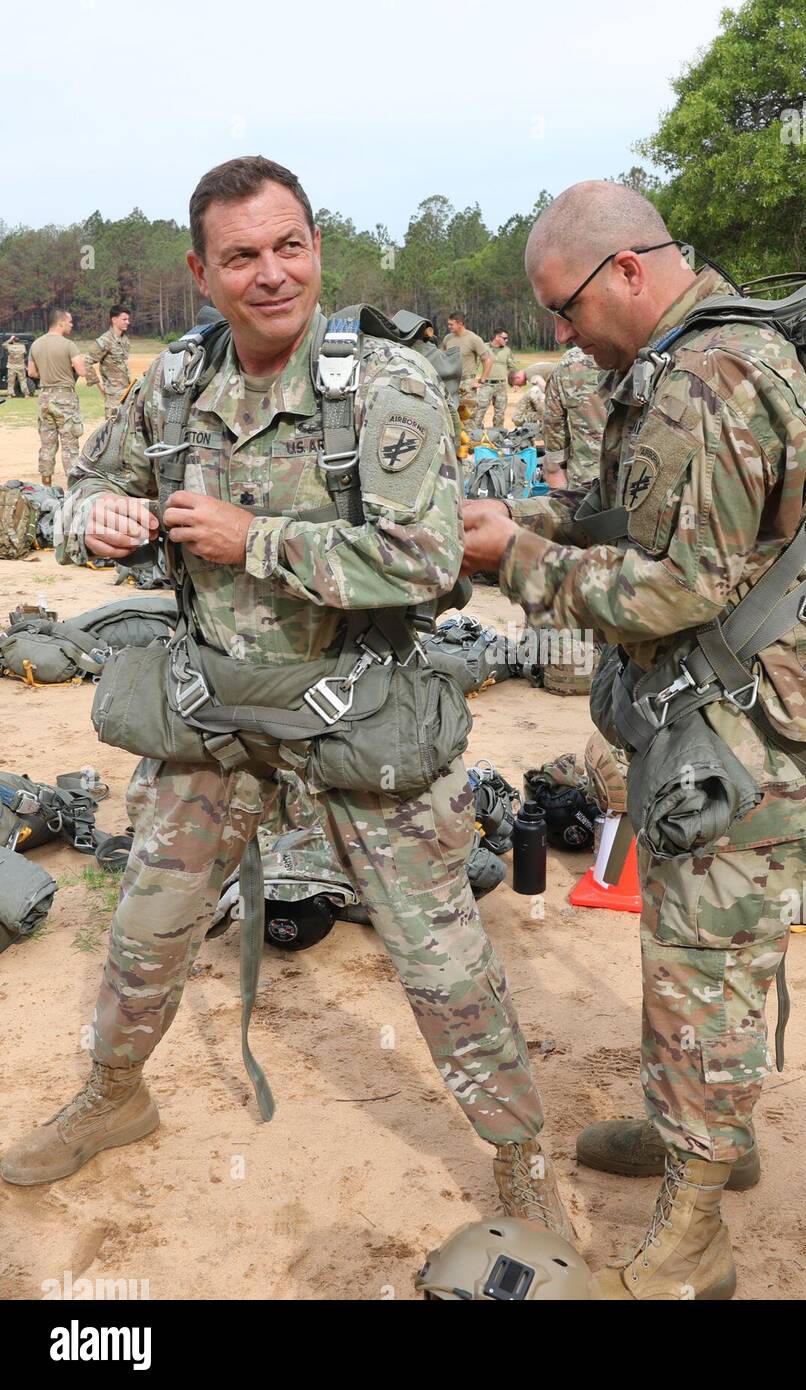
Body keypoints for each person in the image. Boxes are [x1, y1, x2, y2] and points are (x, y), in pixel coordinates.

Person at [1, 156, 572, 1244]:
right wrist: (92, 523)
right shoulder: (171, 385)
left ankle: (517, 1154)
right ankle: (115, 1091)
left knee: (443, 961)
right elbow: (70, 493)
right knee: (144, 932)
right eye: (243, 256)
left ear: (315, 247)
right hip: (214, 713)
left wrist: (250, 539)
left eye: (290, 246)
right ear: (201, 272)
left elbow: (425, 561)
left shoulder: (386, 387)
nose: (273, 274)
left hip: (356, 718)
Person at [462, 180, 806, 1299]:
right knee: (715, 956)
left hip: (742, 730)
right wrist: (527, 524)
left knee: (700, 967)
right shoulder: (690, 363)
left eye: (565, 308)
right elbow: (643, 522)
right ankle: (704, 1138)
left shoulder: (708, 377)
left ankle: (693, 1230)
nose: (558, 333)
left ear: (627, 272)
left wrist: (515, 564)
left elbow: (674, 586)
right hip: (734, 716)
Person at [26, 309, 87, 485]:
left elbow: (31, 372)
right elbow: (81, 371)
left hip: (45, 397)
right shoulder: (69, 345)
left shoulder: (36, 344)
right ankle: (73, 485)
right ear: (60, 323)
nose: (71, 324)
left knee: (47, 443)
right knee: (69, 444)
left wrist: (48, 373)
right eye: (70, 321)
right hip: (65, 398)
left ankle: (46, 484)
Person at [541, 344, 608, 490]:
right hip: (639, 478)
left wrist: (558, 463)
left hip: (587, 477)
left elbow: (553, 422)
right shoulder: (650, 352)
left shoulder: (571, 360)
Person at [441, 312, 491, 435]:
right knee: (451, 414)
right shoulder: (448, 339)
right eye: (448, 324)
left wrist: (482, 381)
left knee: (468, 417)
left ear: (460, 324)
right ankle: (456, 444)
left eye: (451, 324)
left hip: (467, 383)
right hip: (451, 382)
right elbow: (441, 357)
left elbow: (488, 360)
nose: (449, 327)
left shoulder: (473, 339)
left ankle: (472, 445)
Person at [84, 305, 132, 418]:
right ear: (114, 320)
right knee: (112, 428)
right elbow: (87, 362)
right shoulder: (105, 340)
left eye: (128, 319)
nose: (128, 322)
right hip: (113, 396)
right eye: (124, 319)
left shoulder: (124, 340)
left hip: (126, 393)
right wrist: (100, 386)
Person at [474, 329, 517, 431]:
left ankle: (498, 434)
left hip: (501, 386)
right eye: (504, 338)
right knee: (480, 410)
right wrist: (473, 380)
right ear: (497, 337)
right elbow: (475, 364)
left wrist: (514, 381)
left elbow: (512, 367)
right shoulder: (484, 347)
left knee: (500, 413)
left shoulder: (507, 350)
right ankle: (476, 434)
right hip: (486, 385)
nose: (506, 340)